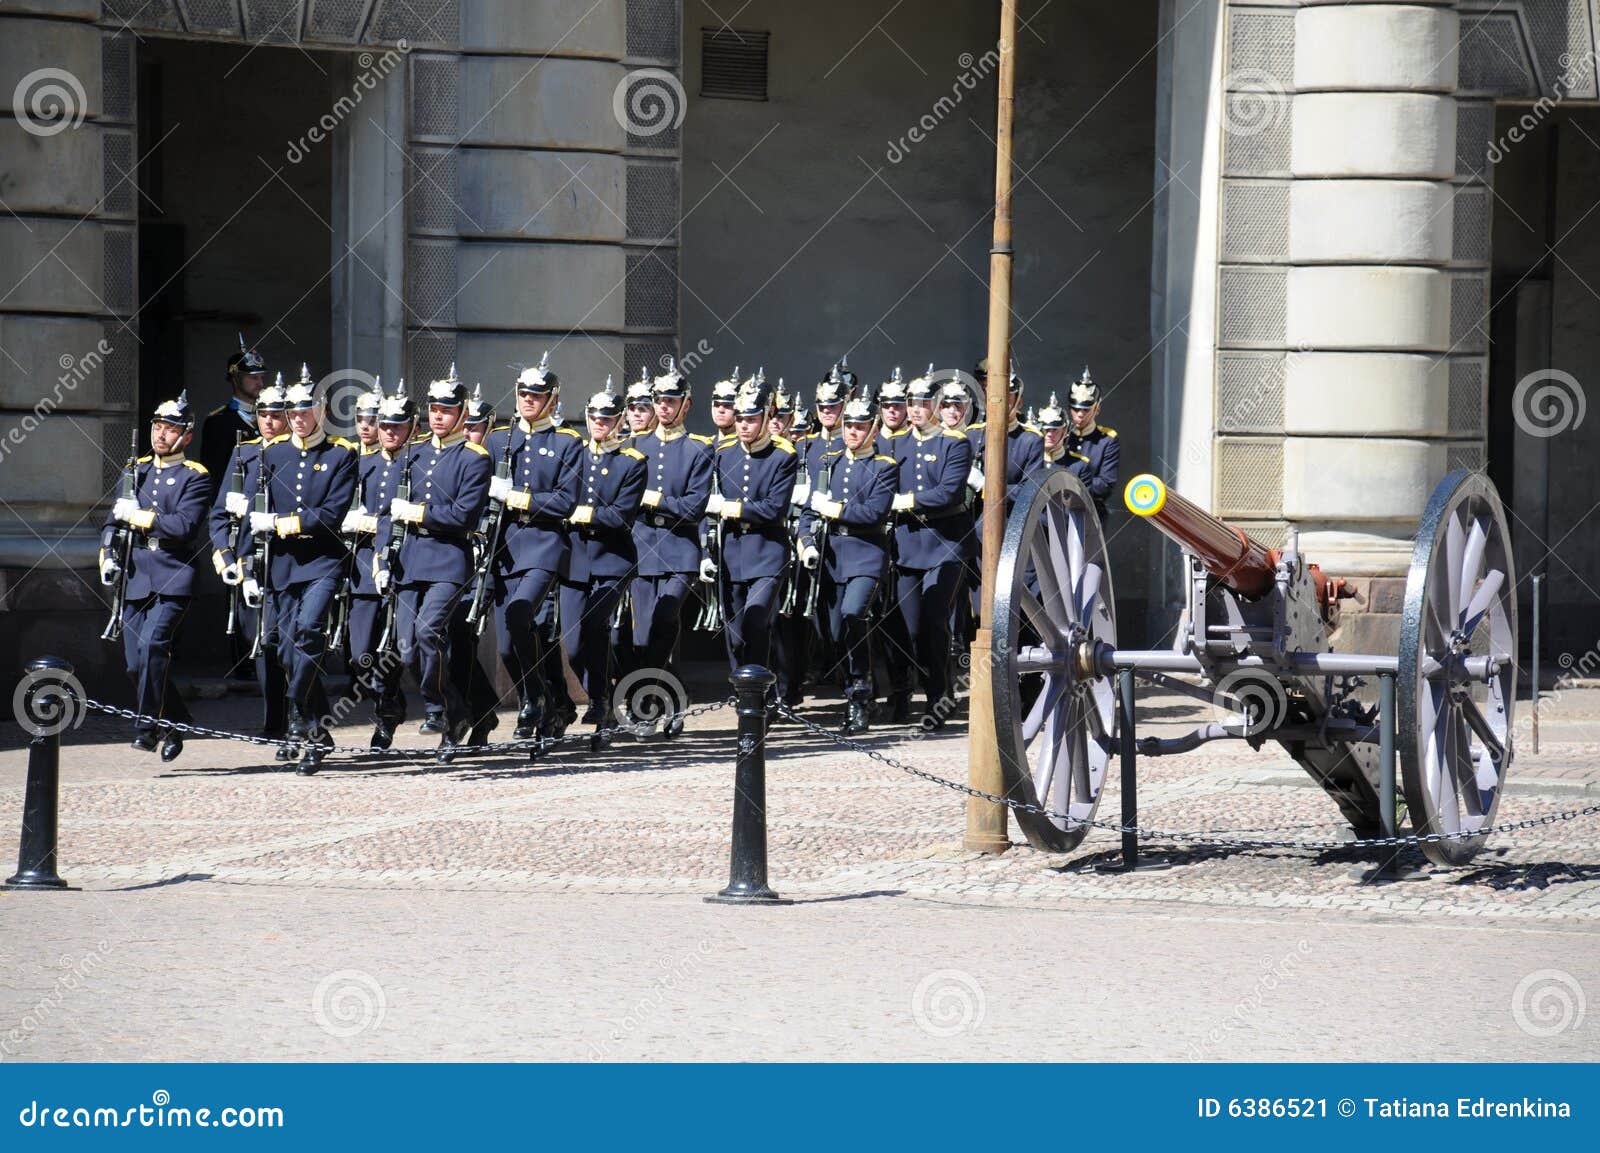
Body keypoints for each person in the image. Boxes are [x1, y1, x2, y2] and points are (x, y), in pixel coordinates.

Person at [375, 368, 492, 763]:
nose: (439, 416)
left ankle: (437, 710)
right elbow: (387, 513)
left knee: (429, 632)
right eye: (435, 409)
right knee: (406, 650)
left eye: (448, 409)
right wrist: (382, 559)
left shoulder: (475, 459)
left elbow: (463, 515)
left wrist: (419, 513)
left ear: (462, 413)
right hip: (410, 561)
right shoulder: (414, 453)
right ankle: (455, 711)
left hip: (448, 560)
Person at [253, 366, 359, 773]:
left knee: (309, 631)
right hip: (282, 563)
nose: (297, 418)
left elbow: (331, 513)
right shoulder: (273, 453)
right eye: (291, 412)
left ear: (320, 410)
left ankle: (298, 708)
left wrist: (283, 523)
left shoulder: (340, 454)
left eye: (304, 411)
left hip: (322, 560)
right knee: (282, 648)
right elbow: (256, 503)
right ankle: (318, 730)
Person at [99, 391, 214, 761]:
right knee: (135, 664)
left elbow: (184, 526)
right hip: (135, 577)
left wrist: (141, 518)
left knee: (153, 648)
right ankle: (177, 721)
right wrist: (106, 553)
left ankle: (147, 727)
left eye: (170, 429)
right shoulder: (134, 471)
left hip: (172, 577)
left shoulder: (195, 477)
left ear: (186, 435)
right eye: (158, 427)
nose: (161, 435)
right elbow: (112, 523)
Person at [486, 355, 586, 742]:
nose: (529, 400)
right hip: (506, 546)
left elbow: (565, 502)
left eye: (537, 395)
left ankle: (534, 701)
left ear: (553, 400)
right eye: (524, 393)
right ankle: (541, 694)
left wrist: (519, 497)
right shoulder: (498, 439)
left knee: (520, 614)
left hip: (544, 545)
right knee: (510, 646)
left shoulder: (566, 442)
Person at [798, 393, 899, 735]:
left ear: (873, 429)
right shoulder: (829, 462)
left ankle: (860, 694)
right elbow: (810, 510)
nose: (853, 432)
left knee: (853, 613)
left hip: (866, 555)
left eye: (860, 426)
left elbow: (874, 513)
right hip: (831, 557)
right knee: (833, 632)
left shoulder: (885, 467)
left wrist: (835, 510)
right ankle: (856, 688)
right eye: (849, 425)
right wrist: (807, 542)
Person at [628, 359, 713, 735]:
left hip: (679, 550)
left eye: (670, 400)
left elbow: (693, 507)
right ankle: (672, 699)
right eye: (659, 400)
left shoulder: (698, 449)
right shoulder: (636, 445)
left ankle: (647, 701)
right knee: (644, 633)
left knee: (665, 620)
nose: (663, 406)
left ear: (686, 404)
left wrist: (651, 499)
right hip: (641, 549)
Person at [559, 380, 647, 739]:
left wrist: (582, 513)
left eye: (607, 418)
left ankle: (599, 701)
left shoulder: (632, 462)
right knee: (574, 640)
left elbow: (621, 516)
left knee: (596, 625)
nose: (600, 423)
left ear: (619, 420)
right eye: (595, 417)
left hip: (612, 559)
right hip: (575, 558)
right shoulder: (574, 454)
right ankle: (603, 691)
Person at [888, 370, 973, 729]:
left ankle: (939, 695)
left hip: (945, 543)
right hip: (908, 545)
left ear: (937, 406)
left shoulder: (955, 443)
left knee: (934, 620)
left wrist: (905, 501)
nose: (917, 409)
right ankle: (907, 690)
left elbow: (949, 492)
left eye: (924, 402)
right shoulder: (894, 445)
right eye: (912, 402)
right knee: (908, 627)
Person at [209, 376, 290, 752]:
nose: (268, 422)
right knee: (257, 641)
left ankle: (290, 718)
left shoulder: (300, 454)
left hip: (289, 561)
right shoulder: (244, 454)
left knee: (280, 641)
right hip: (249, 563)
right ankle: (275, 717)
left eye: (276, 415)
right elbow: (220, 512)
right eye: (263, 416)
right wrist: (225, 556)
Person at [708, 376, 798, 687]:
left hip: (767, 552)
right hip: (732, 552)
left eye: (752, 419)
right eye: (741, 419)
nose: (744, 426)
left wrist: (730, 508)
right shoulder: (724, 453)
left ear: (767, 417)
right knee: (733, 635)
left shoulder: (783, 455)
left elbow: (774, 508)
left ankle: (760, 695)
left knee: (757, 622)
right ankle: (741, 689)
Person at [343, 380, 415, 750]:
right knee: (359, 653)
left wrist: (370, 522)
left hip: (402, 563)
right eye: (364, 419)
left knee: (395, 648)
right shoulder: (360, 463)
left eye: (379, 420)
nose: (370, 427)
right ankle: (390, 701)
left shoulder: (413, 461)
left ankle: (387, 715)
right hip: (362, 566)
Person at [453, 383, 504, 744]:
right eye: (465, 426)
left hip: (491, 562)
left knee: (462, 640)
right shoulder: (453, 458)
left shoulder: (499, 458)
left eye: (475, 427)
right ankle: (479, 709)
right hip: (456, 560)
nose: (468, 433)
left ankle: (478, 712)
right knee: (453, 641)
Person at [200, 334, 267, 481]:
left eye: (262, 377)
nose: (260, 383)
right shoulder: (218, 421)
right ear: (236, 379)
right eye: (254, 378)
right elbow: (214, 472)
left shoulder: (268, 416)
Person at [1065, 367, 1121, 520]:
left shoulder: (1107, 440)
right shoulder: (1061, 435)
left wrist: (1067, 484)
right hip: (1059, 509)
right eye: (1075, 409)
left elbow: (1105, 485)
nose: (1080, 414)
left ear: (1097, 409)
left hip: (1091, 511)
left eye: (1086, 409)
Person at [709, 368, 740, 448]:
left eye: (727, 406)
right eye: (716, 405)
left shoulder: (745, 447)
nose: (720, 410)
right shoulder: (707, 444)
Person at [624, 368, 657, 439]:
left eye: (642, 409)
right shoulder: (620, 446)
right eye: (632, 409)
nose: (636, 413)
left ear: (656, 412)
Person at [878, 368, 909, 434]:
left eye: (897, 405)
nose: (891, 410)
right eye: (886, 405)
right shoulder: (872, 441)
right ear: (880, 409)